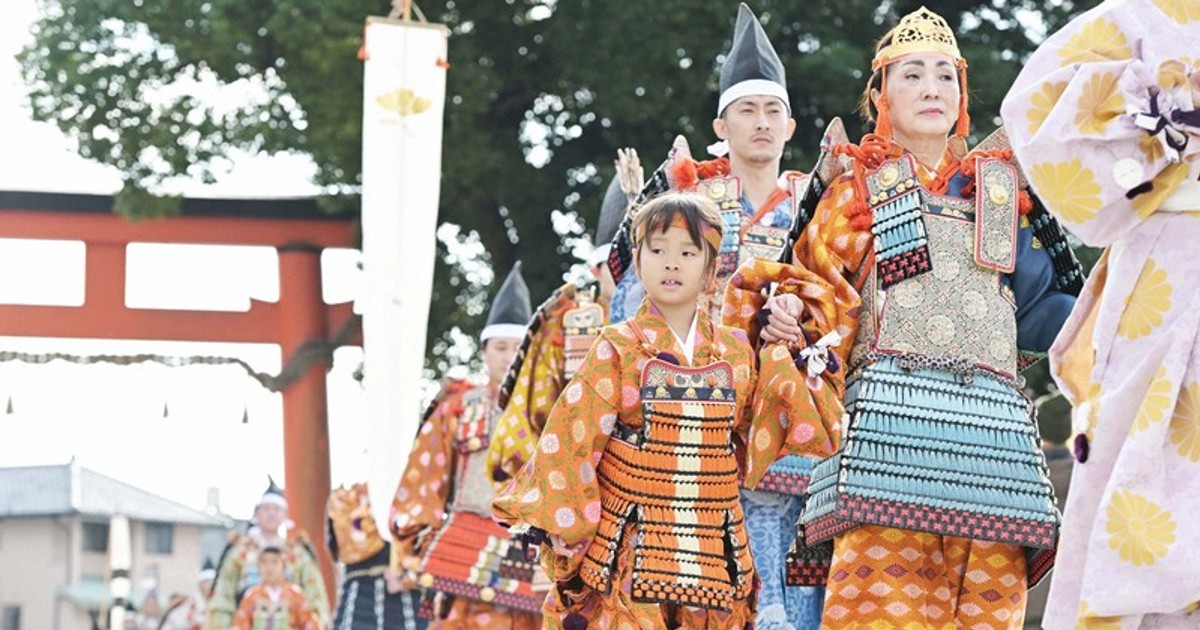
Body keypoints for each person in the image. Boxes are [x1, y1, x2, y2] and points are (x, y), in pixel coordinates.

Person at [760, 6, 1081, 627]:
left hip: (997, 454)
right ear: (879, 94)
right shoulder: (853, 189)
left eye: (945, 75)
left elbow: (1044, 313)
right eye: (912, 75)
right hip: (885, 446)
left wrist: (1128, 311)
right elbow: (816, 295)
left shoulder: (1005, 191)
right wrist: (790, 313)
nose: (932, 88)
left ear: (962, 94)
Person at [1001, 1, 1200, 626]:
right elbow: (1033, 108)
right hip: (1170, 263)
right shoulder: (1139, 14)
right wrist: (1166, 120)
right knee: (1134, 453)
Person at [494, 193, 761, 628]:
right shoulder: (616, 345)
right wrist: (567, 521)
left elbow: (750, 436)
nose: (671, 263)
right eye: (657, 250)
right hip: (630, 542)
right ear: (637, 263)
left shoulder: (736, 351)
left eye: (688, 252)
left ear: (712, 271)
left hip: (713, 544)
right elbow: (574, 436)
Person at [388, 263, 541, 629]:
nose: (508, 356)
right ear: (485, 350)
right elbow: (425, 474)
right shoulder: (458, 405)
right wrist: (418, 540)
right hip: (465, 541)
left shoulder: (549, 410)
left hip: (529, 547)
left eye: (518, 348)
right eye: (500, 347)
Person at [487, 151, 640, 486]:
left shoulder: (680, 322)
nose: (627, 274)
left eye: (636, 263)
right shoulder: (566, 323)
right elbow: (527, 422)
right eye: (616, 264)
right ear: (595, 269)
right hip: (574, 485)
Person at [208, 480, 328, 630]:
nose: (271, 513)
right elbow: (223, 595)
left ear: (285, 515)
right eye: (266, 509)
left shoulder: (298, 553)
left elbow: (315, 595)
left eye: (276, 509)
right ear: (256, 514)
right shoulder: (239, 552)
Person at [326, 483, 427, 630]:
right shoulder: (344, 495)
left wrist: (410, 575)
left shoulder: (415, 484)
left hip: (406, 594)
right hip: (360, 596)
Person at [231, 547, 319, 630]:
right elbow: (240, 624)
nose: (269, 567)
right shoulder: (251, 595)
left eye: (274, 562)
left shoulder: (295, 594)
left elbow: (310, 624)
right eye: (264, 562)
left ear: (284, 566)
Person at [158, 561, 214, 630]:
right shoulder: (188, 606)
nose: (211, 585)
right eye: (207, 582)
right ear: (200, 584)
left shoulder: (223, 604)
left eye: (213, 582)